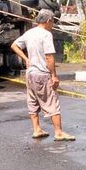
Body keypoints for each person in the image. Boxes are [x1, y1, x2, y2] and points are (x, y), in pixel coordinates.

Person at [10, 9, 75, 141]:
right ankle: (58, 132)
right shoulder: (46, 34)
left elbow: (14, 45)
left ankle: (37, 129)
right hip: (42, 73)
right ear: (48, 21)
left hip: (31, 73)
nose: (52, 25)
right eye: (52, 22)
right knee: (51, 101)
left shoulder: (30, 33)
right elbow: (49, 57)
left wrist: (26, 59)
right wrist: (54, 76)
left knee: (33, 101)